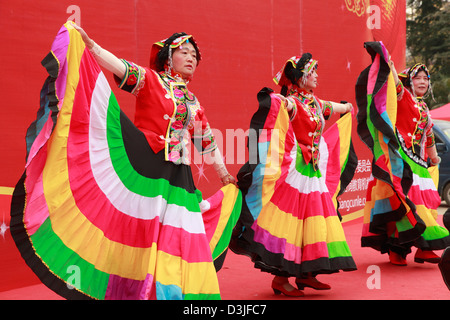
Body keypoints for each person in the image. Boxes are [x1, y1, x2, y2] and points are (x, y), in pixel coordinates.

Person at [10, 21, 240, 300]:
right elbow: (118, 66)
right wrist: (90, 44)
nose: (192, 58)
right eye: (185, 52)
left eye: (195, 55)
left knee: (178, 238)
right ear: (168, 57)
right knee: (142, 235)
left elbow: (206, 140)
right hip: (145, 168)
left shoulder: (193, 102)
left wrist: (224, 173)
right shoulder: (151, 81)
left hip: (180, 178)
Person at [230, 53, 357, 297]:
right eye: (313, 72)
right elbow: (281, 103)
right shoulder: (294, 104)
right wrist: (277, 98)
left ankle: (307, 275)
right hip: (295, 174)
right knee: (292, 224)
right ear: (300, 78)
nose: (317, 76)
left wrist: (348, 108)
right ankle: (280, 279)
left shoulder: (316, 103)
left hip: (312, 173)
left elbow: (334, 106)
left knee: (313, 222)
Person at [357, 41, 450, 267]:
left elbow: (427, 136)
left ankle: (422, 248)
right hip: (400, 160)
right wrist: (386, 60)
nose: (423, 82)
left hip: (419, 164)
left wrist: (433, 157)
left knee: (423, 206)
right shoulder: (402, 97)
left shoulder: (425, 108)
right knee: (401, 206)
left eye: (426, 79)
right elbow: (395, 85)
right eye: (418, 78)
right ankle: (397, 249)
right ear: (409, 81)